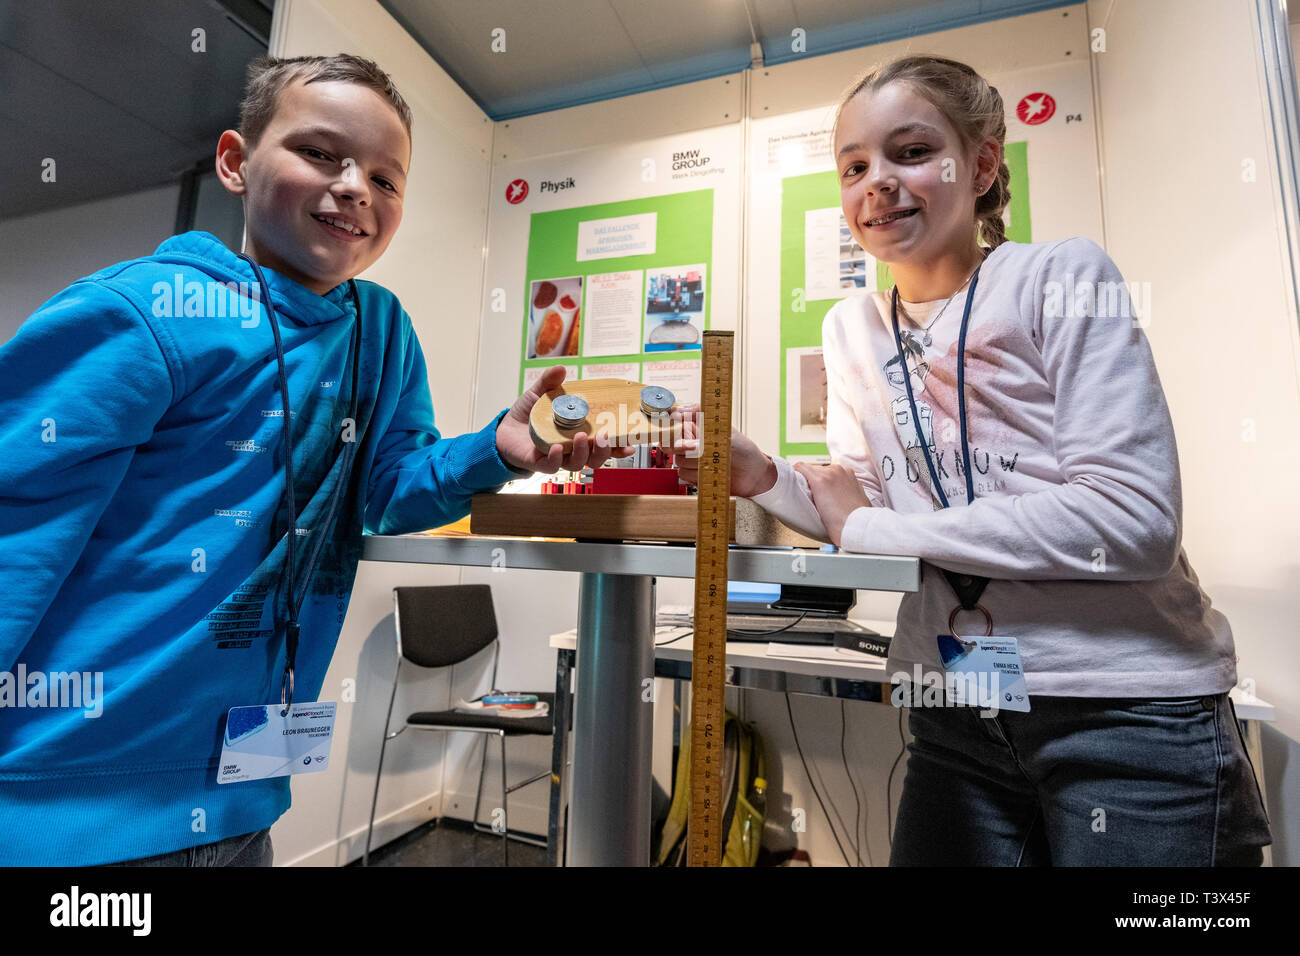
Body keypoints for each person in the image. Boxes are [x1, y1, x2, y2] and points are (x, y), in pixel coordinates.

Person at [0, 53, 628, 866]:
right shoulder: (142, 311)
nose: (355, 186)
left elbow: (390, 491)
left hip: (245, 797)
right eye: (320, 153)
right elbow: (16, 530)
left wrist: (494, 452)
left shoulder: (381, 331)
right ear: (236, 162)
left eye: (385, 177)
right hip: (73, 808)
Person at [675, 54, 1271, 866]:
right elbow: (862, 504)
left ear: (982, 164)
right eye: (854, 166)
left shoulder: (1059, 277)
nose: (878, 182)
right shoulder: (851, 330)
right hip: (956, 703)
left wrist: (870, 528)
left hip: (1125, 712)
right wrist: (766, 477)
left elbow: (1132, 522)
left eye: (912, 152)